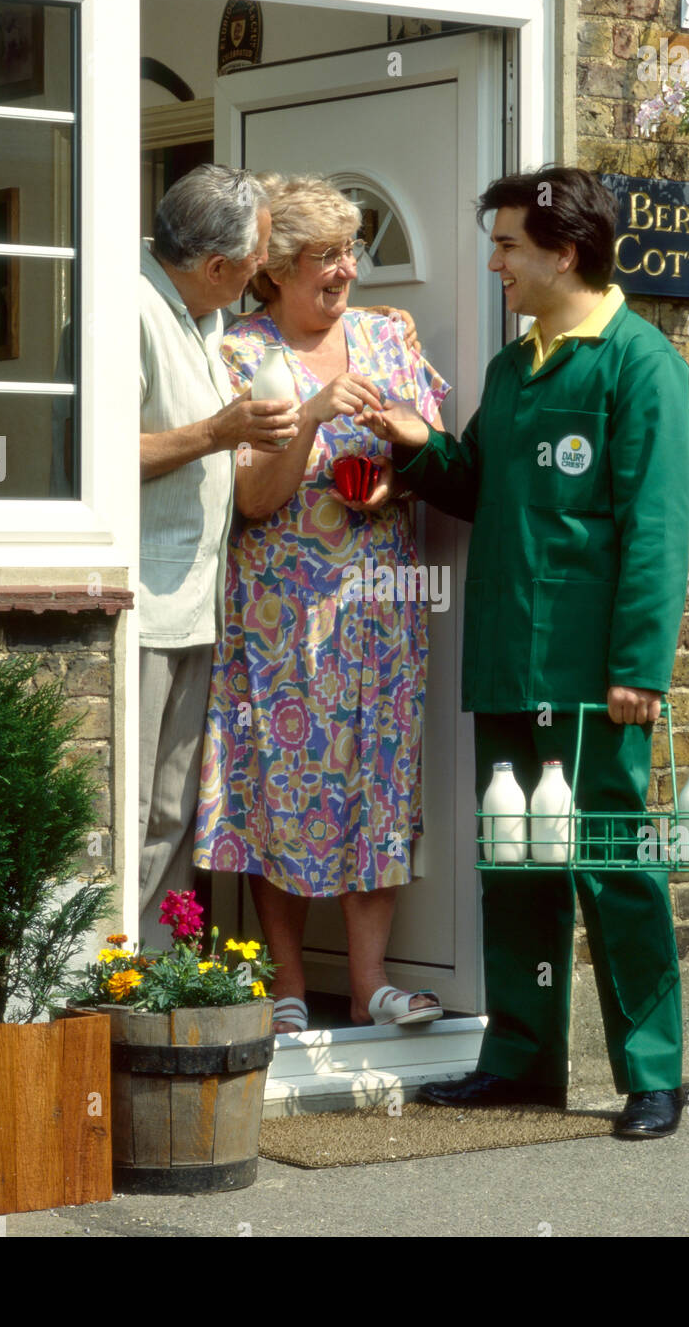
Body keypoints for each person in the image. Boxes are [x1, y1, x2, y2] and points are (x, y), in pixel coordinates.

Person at [361, 165, 689, 1138]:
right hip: (507, 661)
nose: (493, 261)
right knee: (515, 863)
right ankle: (519, 1059)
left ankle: (653, 1071)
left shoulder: (641, 365)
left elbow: (656, 525)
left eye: (507, 244)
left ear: (563, 251)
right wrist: (417, 443)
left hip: (597, 680)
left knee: (613, 866)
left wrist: (640, 665)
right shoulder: (516, 370)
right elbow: (478, 485)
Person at [192, 174, 448, 1035]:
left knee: (378, 779)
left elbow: (437, 459)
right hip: (279, 619)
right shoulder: (239, 355)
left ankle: (371, 983)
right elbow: (254, 500)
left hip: (380, 609)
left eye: (350, 252)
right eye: (323, 257)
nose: (344, 271)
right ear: (276, 271)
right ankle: (290, 986)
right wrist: (307, 416)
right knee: (280, 785)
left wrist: (397, 473)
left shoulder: (387, 338)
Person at [137, 166, 298, 942]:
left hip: (196, 603)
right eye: (257, 257)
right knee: (130, 806)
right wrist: (219, 432)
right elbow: (100, 459)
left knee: (172, 810)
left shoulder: (201, 316)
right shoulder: (131, 310)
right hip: (139, 607)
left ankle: (155, 976)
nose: (262, 271)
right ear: (215, 268)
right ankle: (110, 978)